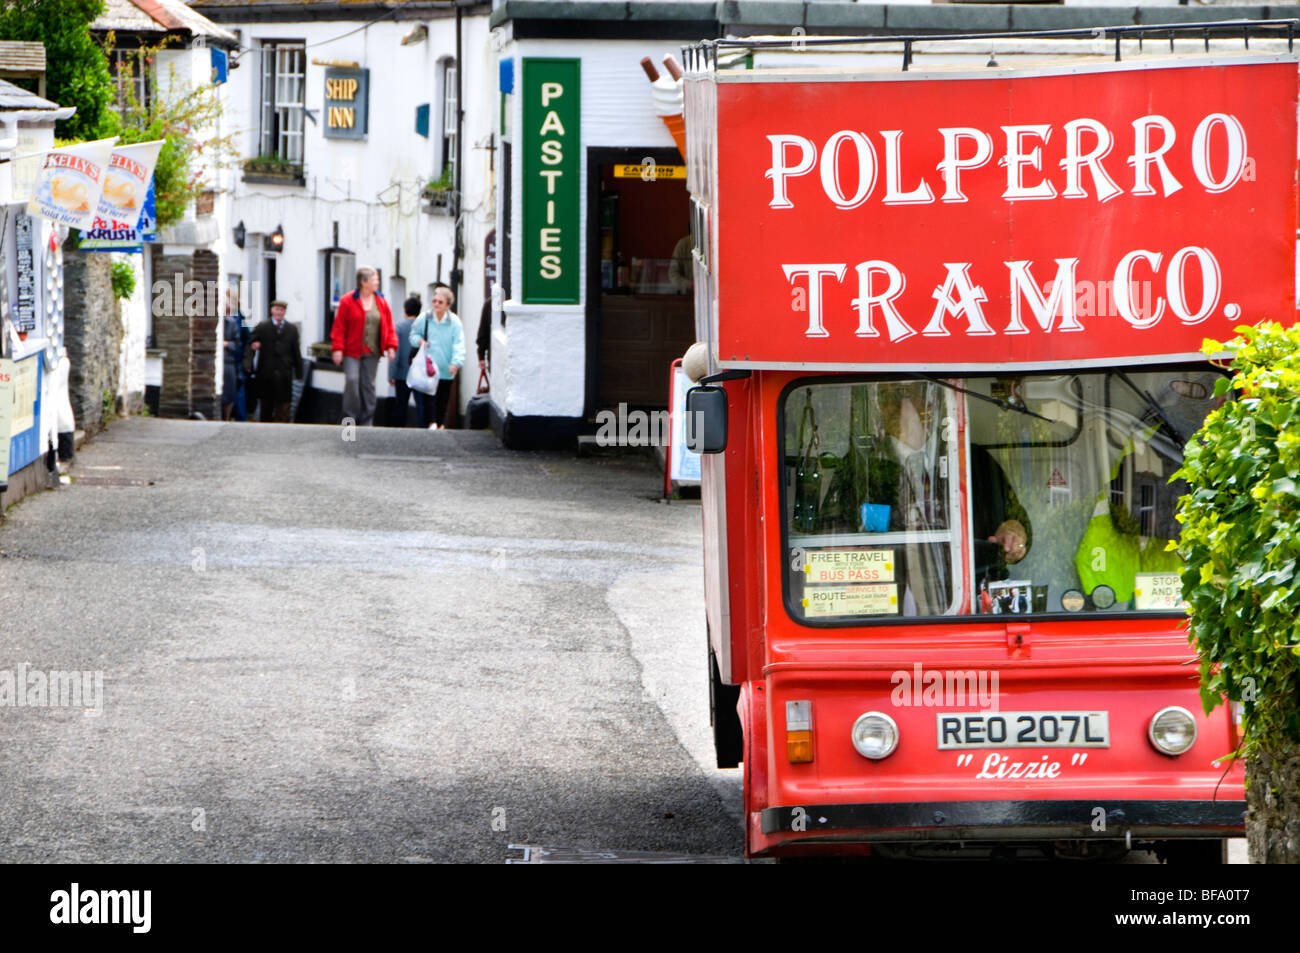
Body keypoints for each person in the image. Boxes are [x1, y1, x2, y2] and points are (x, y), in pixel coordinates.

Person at [331, 266, 398, 426]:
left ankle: (367, 423)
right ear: (364, 282)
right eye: (375, 279)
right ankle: (349, 422)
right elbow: (339, 327)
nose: (377, 282)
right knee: (352, 381)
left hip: (372, 351)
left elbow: (388, 325)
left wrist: (391, 346)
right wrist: (338, 348)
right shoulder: (348, 301)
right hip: (351, 351)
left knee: (368, 386)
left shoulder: (380, 301)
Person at [409, 285, 464, 429]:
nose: (436, 304)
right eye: (434, 301)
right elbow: (413, 335)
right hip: (429, 369)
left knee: (442, 401)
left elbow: (459, 344)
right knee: (429, 399)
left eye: (440, 302)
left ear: (448, 305)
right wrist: (419, 341)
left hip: (446, 369)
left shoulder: (455, 322)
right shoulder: (425, 318)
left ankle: (438, 425)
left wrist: (456, 362)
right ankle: (432, 424)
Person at [244, 300, 302, 423]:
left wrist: (299, 372)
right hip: (266, 373)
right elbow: (250, 345)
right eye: (277, 309)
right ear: (272, 311)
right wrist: (248, 364)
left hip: (284, 373)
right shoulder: (262, 327)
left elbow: (296, 351)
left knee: (284, 406)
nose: (279, 313)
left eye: (282, 310)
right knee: (266, 406)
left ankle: (283, 430)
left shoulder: (291, 329)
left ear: (285, 312)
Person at [388, 295, 421, 427]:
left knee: (401, 406)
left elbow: (395, 354)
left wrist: (391, 374)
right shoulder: (423, 328)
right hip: (419, 373)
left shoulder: (399, 328)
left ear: (405, 310)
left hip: (402, 374)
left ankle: (399, 433)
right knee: (421, 406)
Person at [221, 290, 249, 421]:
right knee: (230, 391)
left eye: (232, 301)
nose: (229, 305)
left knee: (237, 392)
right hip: (228, 360)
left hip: (236, 360)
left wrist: (247, 362)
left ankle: (241, 420)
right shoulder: (224, 317)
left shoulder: (239, 317)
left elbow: (247, 339)